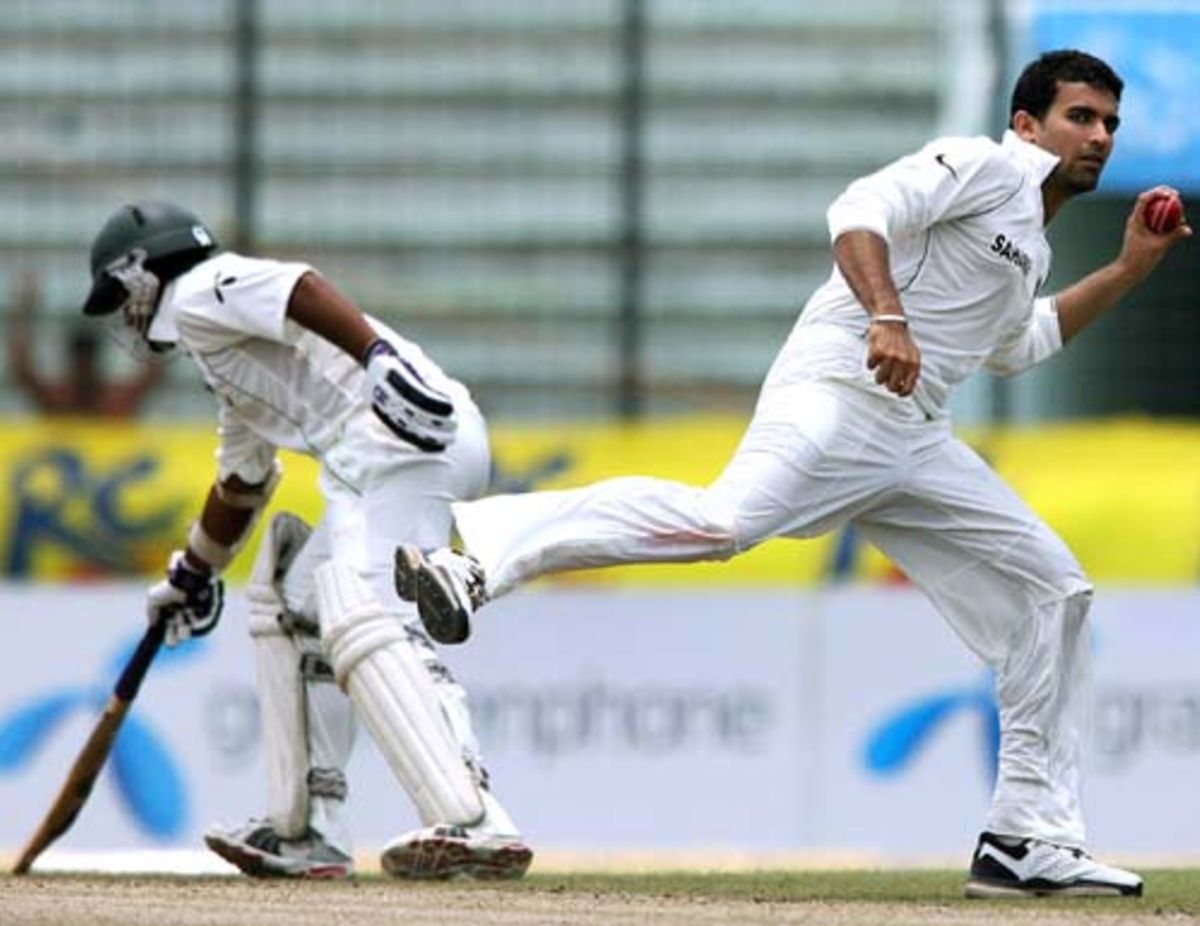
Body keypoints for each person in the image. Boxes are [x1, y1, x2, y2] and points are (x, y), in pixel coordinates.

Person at [394, 49, 1190, 898]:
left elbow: (1017, 347)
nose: (1099, 137)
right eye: (1080, 117)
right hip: (843, 385)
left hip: (914, 434)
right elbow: (859, 210)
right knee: (721, 524)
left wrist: (1127, 270)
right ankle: (475, 563)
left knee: (1051, 595)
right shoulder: (985, 165)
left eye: (1110, 124)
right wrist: (886, 315)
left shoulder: (1030, 239)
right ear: (1027, 124)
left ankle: (1026, 839)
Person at [78, 200, 532, 881]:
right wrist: (192, 574)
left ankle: (476, 821)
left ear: (141, 271)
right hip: (384, 458)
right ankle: (310, 828)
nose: (125, 316)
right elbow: (241, 483)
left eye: (121, 296)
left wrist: (376, 360)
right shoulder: (223, 355)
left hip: (399, 442)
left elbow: (299, 286)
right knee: (293, 603)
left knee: (374, 617)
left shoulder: (202, 289)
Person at [9, 270, 162, 417]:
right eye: (81, 360)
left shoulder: (113, 400)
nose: (83, 367)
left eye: (85, 360)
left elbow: (153, 372)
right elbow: (21, 368)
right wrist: (24, 309)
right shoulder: (60, 399)